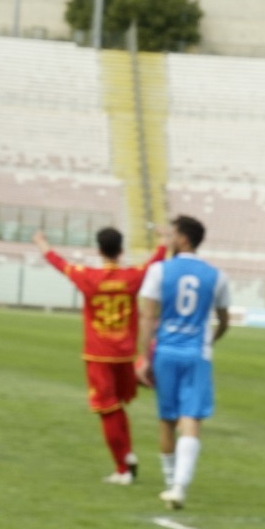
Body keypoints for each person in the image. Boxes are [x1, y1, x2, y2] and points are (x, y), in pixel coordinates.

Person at [36, 226, 167, 485]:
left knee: (106, 409)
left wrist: (42, 243)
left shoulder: (88, 277)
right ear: (121, 250)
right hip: (124, 353)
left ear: (99, 250)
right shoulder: (132, 276)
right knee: (115, 406)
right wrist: (162, 241)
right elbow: (156, 260)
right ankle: (127, 456)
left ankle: (122, 468)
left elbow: (58, 263)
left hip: (98, 354)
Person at [135, 215, 230, 510]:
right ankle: (179, 486)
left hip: (166, 352)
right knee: (191, 419)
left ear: (183, 239)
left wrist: (142, 357)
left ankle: (169, 482)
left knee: (167, 419)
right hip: (196, 355)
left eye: (172, 234)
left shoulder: (159, 271)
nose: (167, 239)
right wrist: (210, 340)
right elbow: (225, 321)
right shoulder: (216, 276)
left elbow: (149, 316)